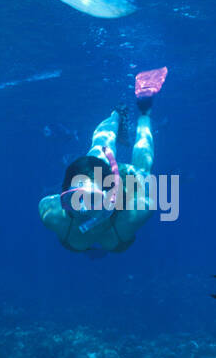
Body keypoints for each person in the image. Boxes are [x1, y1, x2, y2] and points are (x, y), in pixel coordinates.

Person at [39, 69, 166, 253]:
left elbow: (147, 203)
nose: (83, 210)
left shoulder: (133, 214)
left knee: (141, 168)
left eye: (93, 199)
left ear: (110, 199)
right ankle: (117, 114)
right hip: (106, 185)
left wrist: (132, 181)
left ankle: (144, 110)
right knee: (97, 152)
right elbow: (45, 203)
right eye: (76, 198)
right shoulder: (54, 217)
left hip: (122, 186)